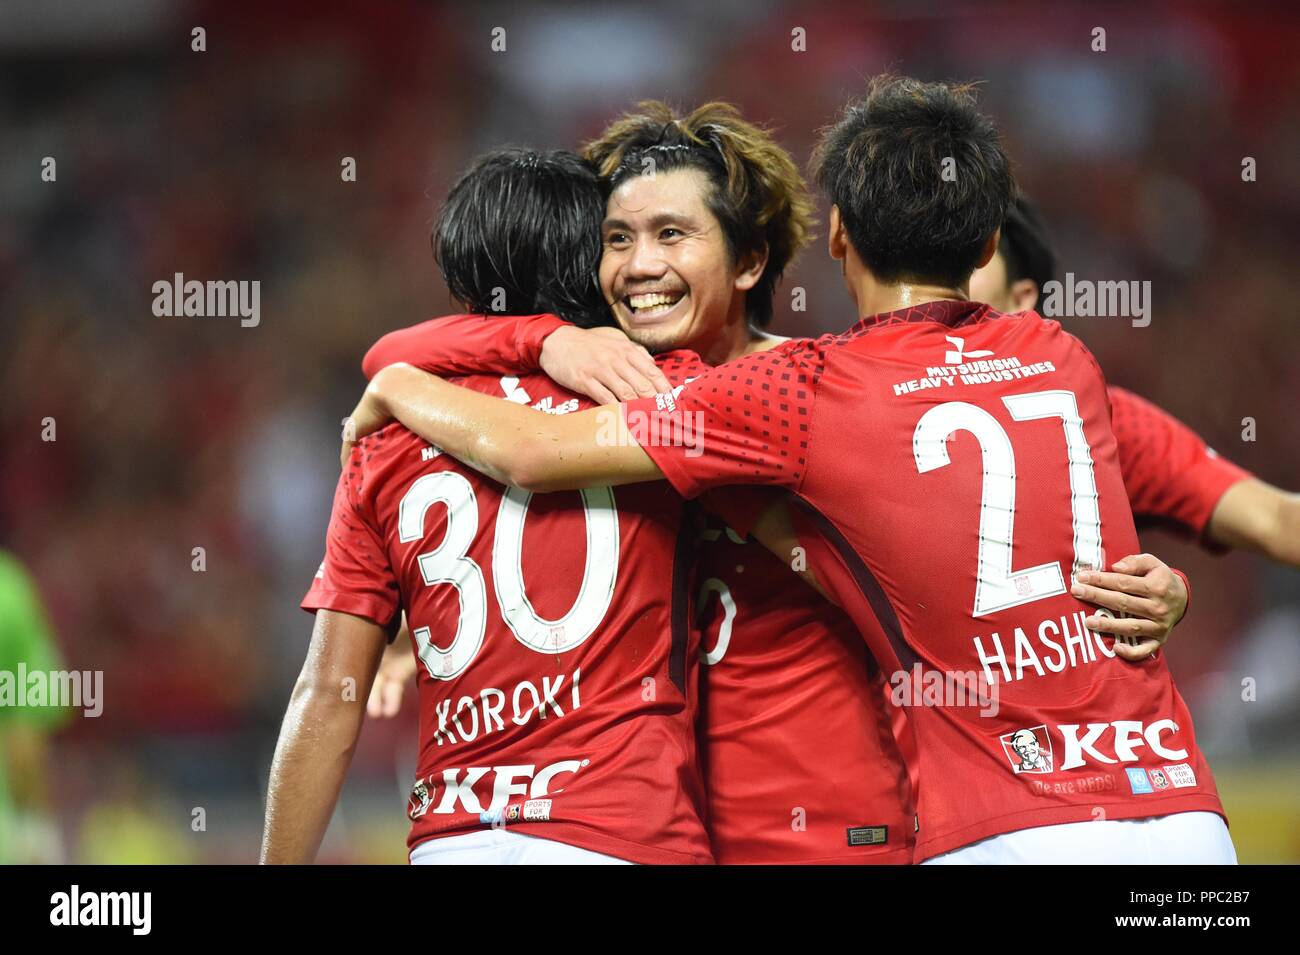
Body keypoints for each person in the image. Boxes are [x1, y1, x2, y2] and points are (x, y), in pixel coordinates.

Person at [343, 76, 1237, 864]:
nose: (640, 265)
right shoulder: (592, 395)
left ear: (751, 259)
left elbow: (1003, 551)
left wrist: (1163, 591)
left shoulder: (810, 398)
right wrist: (542, 335)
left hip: (858, 833)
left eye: (670, 233)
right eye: (617, 239)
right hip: (668, 837)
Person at [261, 148, 717, 865]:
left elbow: (326, 694)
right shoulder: (661, 393)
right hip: (623, 828)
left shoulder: (388, 437)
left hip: (456, 838)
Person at [971, 197, 1300, 567]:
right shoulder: (890, 407)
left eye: (967, 259)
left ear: (1021, 300)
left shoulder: (1098, 422)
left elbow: (1276, 521)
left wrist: (1174, 590)